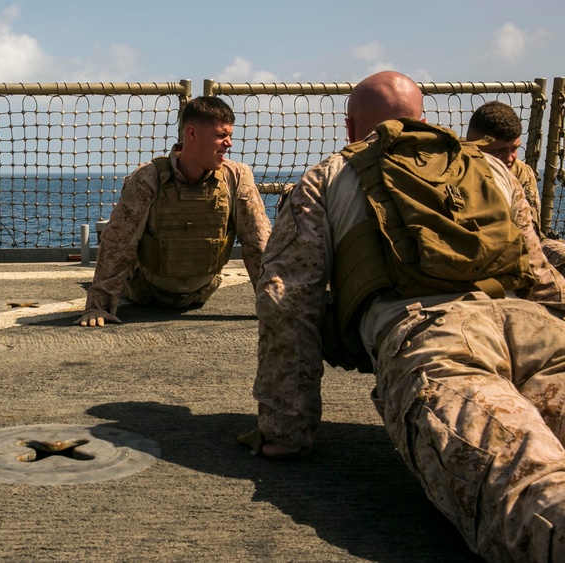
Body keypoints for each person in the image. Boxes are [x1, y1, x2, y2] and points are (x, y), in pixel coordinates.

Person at [241, 71, 565, 560]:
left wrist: (285, 429)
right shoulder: (491, 168)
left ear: (351, 128)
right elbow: (539, 274)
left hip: (433, 339)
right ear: (423, 121)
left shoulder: (328, 176)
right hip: (533, 324)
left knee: (528, 487)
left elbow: (287, 298)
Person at [77, 96, 270, 327]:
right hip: (145, 292)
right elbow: (118, 241)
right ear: (192, 133)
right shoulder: (147, 177)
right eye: (221, 135)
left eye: (230, 136)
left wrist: (274, 304)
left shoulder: (236, 176)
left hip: (202, 292)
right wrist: (98, 306)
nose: (229, 144)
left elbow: (258, 241)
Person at [466, 100, 565, 271]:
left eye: (514, 149)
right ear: (475, 145)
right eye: (498, 151)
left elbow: (531, 233)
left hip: (524, 245)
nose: (509, 158)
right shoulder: (457, 168)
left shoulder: (520, 172)